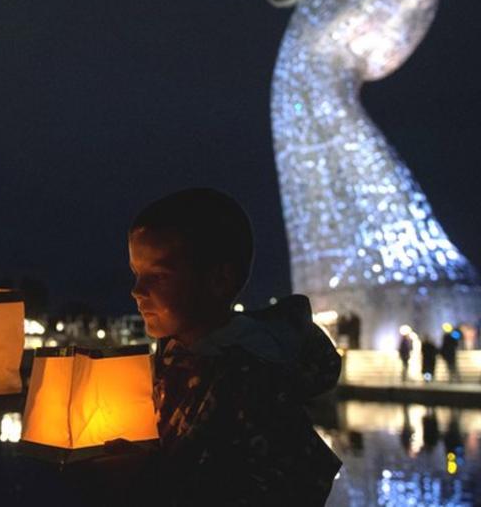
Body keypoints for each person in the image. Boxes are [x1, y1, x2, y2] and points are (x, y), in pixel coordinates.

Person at [125, 187, 341, 506]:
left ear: (220, 280)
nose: (137, 291)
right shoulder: (174, 358)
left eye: (158, 276)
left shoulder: (254, 384)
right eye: (136, 274)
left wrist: (143, 476)